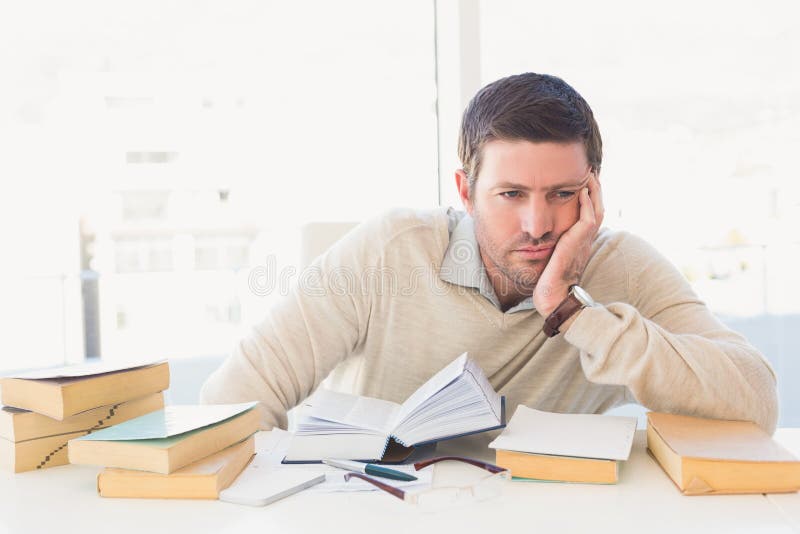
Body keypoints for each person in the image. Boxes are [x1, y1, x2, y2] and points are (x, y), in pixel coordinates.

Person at [200, 72, 778, 434]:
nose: (538, 224)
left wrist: (572, 311)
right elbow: (233, 399)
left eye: (562, 195)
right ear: (464, 192)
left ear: (593, 190)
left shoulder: (622, 266)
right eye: (510, 195)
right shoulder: (390, 248)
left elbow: (756, 400)